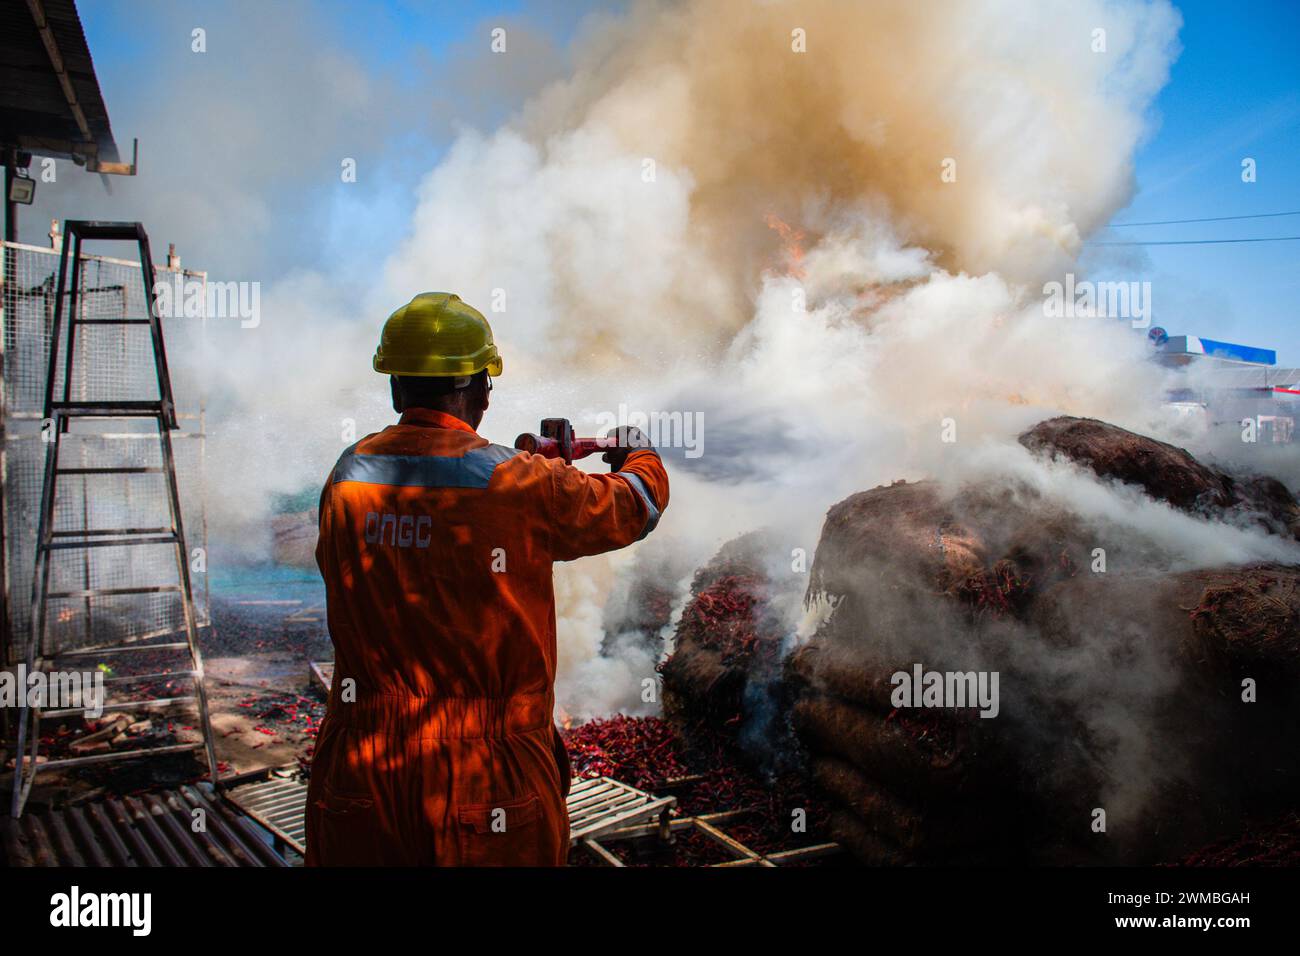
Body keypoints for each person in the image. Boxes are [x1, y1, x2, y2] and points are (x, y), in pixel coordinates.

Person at [305, 292, 668, 865]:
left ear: (396, 386)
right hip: (486, 778)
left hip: (361, 768)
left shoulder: (348, 475)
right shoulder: (516, 483)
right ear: (478, 387)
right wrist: (640, 455)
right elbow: (636, 507)